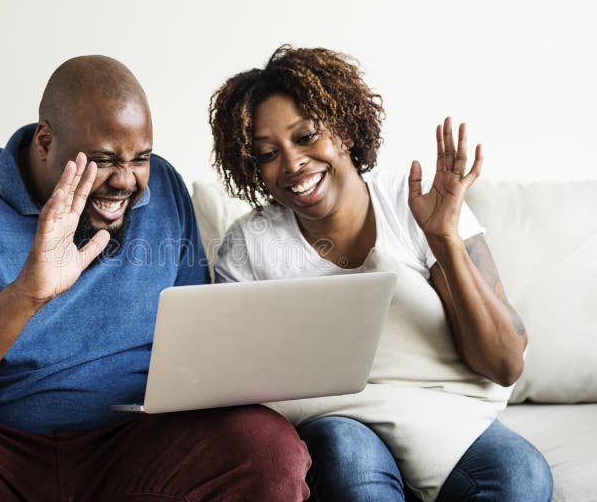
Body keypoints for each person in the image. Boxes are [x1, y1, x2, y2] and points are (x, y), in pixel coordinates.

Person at [0, 55, 311, 501]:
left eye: (139, 158)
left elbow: (198, 344)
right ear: (45, 141)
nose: (127, 180)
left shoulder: (162, 190)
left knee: (264, 447)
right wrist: (26, 294)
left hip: (130, 445)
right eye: (103, 160)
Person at [209, 46, 552, 502]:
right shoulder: (247, 246)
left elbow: (505, 364)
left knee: (521, 476)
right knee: (349, 458)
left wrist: (445, 239)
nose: (292, 164)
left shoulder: (416, 207)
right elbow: (236, 384)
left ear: (344, 129)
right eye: (269, 153)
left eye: (307, 136)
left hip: (439, 411)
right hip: (336, 419)